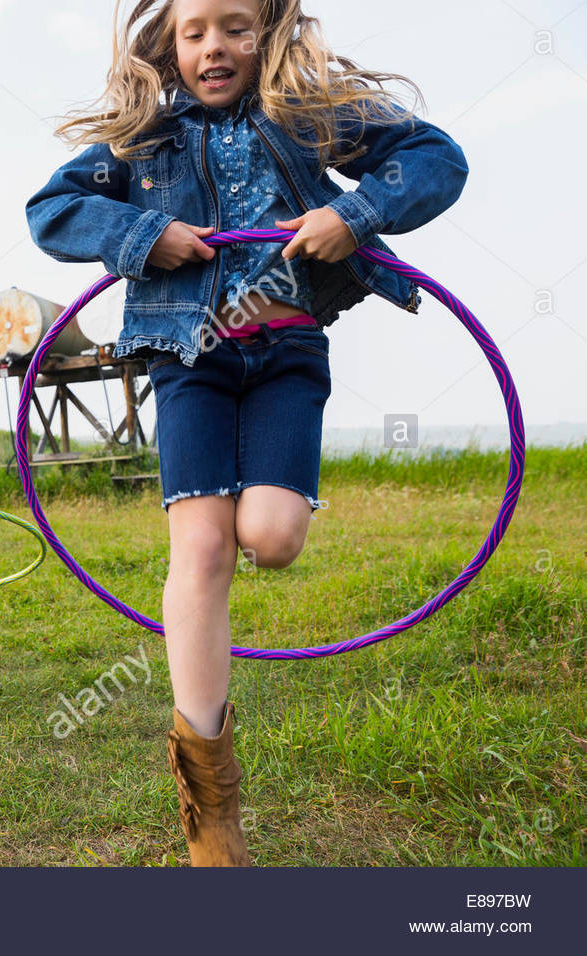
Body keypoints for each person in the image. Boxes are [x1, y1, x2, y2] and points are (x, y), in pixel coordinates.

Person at [25, 0, 466, 865]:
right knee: (200, 551)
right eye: (194, 32)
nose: (213, 46)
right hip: (187, 355)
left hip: (287, 350)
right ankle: (210, 805)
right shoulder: (145, 136)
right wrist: (146, 234)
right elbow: (52, 208)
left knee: (270, 536)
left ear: (265, 33)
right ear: (172, 43)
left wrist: (357, 215)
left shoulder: (309, 113)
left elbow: (435, 158)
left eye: (234, 26)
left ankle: (215, 756)